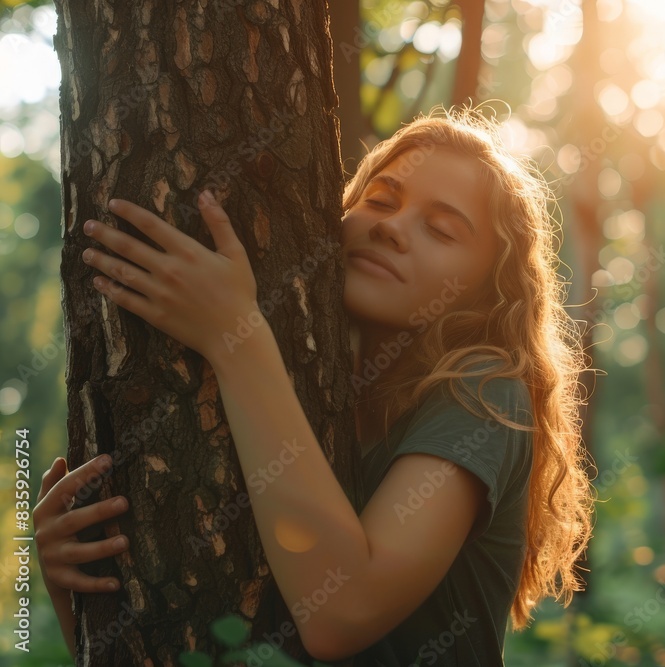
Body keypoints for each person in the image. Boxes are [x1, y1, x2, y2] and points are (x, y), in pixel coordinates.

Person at [32, 107, 594, 665]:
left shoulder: (486, 391)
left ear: (486, 290)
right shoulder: (312, 394)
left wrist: (234, 335)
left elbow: (340, 614)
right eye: (379, 200)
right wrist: (76, 581)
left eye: (441, 229)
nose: (391, 228)